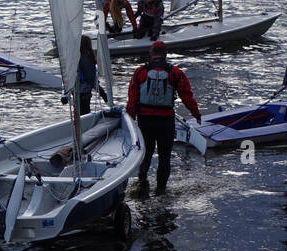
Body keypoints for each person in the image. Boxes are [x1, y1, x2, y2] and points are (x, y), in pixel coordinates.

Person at [126, 40, 201, 194]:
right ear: (165, 54)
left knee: (146, 154)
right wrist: (196, 114)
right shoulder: (175, 73)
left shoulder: (140, 72)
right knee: (165, 157)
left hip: (145, 121)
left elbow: (132, 99)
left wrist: (129, 119)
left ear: (151, 53)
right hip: (165, 122)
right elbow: (186, 96)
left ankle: (142, 184)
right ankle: (161, 190)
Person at [75, 35, 108, 115]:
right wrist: (103, 94)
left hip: (79, 92)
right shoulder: (86, 59)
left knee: (81, 113)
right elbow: (92, 80)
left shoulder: (79, 58)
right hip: (83, 93)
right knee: (84, 113)